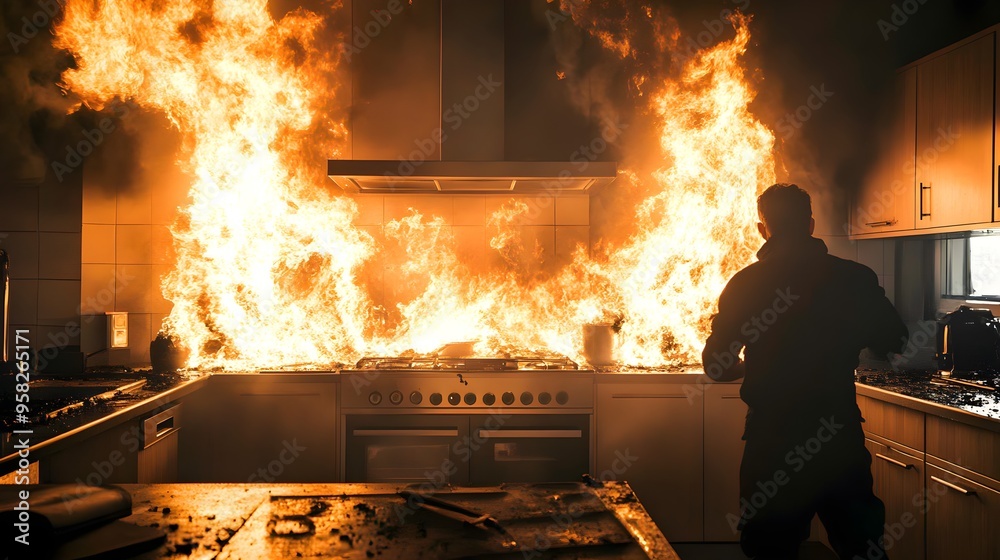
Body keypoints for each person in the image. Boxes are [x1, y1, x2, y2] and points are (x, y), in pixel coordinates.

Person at [702, 183, 908, 560]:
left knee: (770, 551)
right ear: (811, 224)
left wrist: (756, 363)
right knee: (862, 549)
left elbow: (716, 365)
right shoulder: (855, 278)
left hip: (772, 442)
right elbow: (892, 339)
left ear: (763, 229)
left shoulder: (745, 283)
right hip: (838, 438)